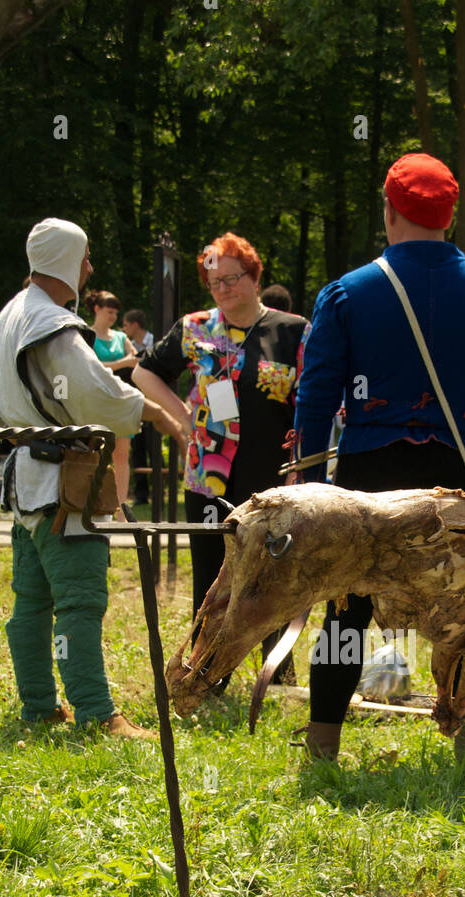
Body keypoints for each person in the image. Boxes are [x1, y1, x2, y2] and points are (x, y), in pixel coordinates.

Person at [293, 151, 465, 762]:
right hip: (453, 476)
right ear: (450, 216)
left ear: (389, 210)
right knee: (463, 611)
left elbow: (315, 396)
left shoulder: (347, 294)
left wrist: (306, 481)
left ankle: (324, 746)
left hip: (366, 478)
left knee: (346, 613)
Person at [0, 217, 185, 735]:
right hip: (63, 484)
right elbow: (94, 395)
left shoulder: (10, 316)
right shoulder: (50, 324)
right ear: (67, 261)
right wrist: (154, 413)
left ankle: (40, 706)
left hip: (27, 484)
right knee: (80, 602)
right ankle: (96, 713)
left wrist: (8, 426)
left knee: (32, 603)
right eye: (85, 257)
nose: (90, 267)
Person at [133, 233, 310, 631]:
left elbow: (311, 400)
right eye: (214, 283)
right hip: (208, 476)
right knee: (211, 579)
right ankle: (206, 668)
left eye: (231, 278)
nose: (222, 289)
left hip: (273, 477)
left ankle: (275, 664)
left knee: (273, 573)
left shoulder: (293, 331)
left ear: (254, 276)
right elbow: (144, 371)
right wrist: (180, 418)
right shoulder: (196, 328)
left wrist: (302, 463)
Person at [86, 291, 140, 502]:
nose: (113, 317)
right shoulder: (86, 335)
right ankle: (95, 503)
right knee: (94, 454)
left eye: (116, 313)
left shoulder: (121, 337)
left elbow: (135, 358)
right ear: (97, 309)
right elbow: (89, 366)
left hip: (121, 400)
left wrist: (125, 363)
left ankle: (120, 507)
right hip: (96, 401)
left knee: (121, 454)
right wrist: (121, 363)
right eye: (109, 312)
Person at [121, 311, 155, 505]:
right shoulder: (128, 348)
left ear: (135, 324)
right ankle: (142, 495)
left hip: (156, 401)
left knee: (154, 447)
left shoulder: (157, 341)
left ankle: (159, 490)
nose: (123, 329)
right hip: (136, 404)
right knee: (138, 449)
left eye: (125, 324)